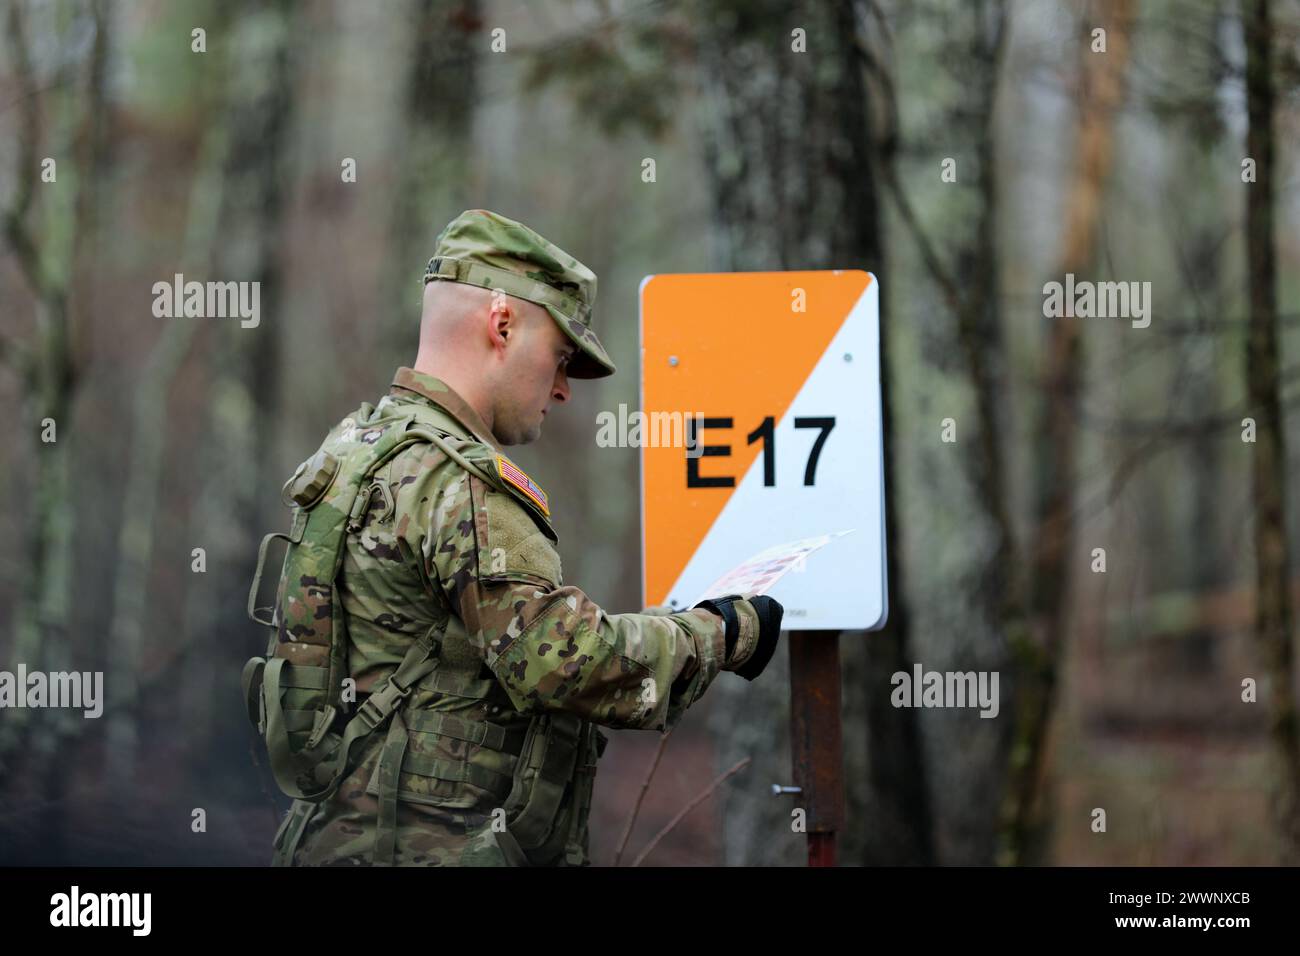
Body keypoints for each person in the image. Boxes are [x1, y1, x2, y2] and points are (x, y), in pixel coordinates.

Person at [249, 209, 783, 867]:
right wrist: (722, 634)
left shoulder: (358, 447)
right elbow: (566, 662)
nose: (561, 390)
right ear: (502, 325)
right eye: (560, 358)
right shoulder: (458, 483)